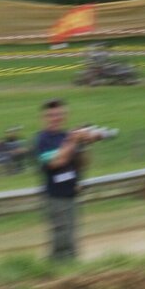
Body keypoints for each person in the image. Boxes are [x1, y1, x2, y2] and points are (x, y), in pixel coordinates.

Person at [34, 98, 93, 263]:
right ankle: (54, 269)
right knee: (61, 238)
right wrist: (73, 141)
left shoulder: (67, 137)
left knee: (72, 239)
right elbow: (55, 162)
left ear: (65, 116)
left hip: (71, 194)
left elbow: (82, 164)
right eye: (51, 115)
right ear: (44, 118)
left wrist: (85, 145)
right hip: (55, 196)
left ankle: (71, 269)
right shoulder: (42, 139)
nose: (56, 118)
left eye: (59, 114)